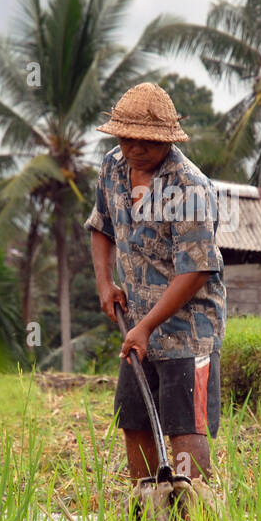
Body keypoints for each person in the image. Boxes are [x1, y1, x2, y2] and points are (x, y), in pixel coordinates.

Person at [84, 82, 226, 491]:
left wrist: (147, 326)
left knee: (186, 425)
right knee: (135, 418)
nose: (135, 148)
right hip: (136, 320)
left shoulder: (190, 186)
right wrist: (105, 283)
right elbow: (101, 225)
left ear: (165, 139)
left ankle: (192, 512)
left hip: (189, 328)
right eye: (127, 138)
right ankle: (148, 509)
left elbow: (196, 269)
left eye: (146, 141)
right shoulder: (112, 167)